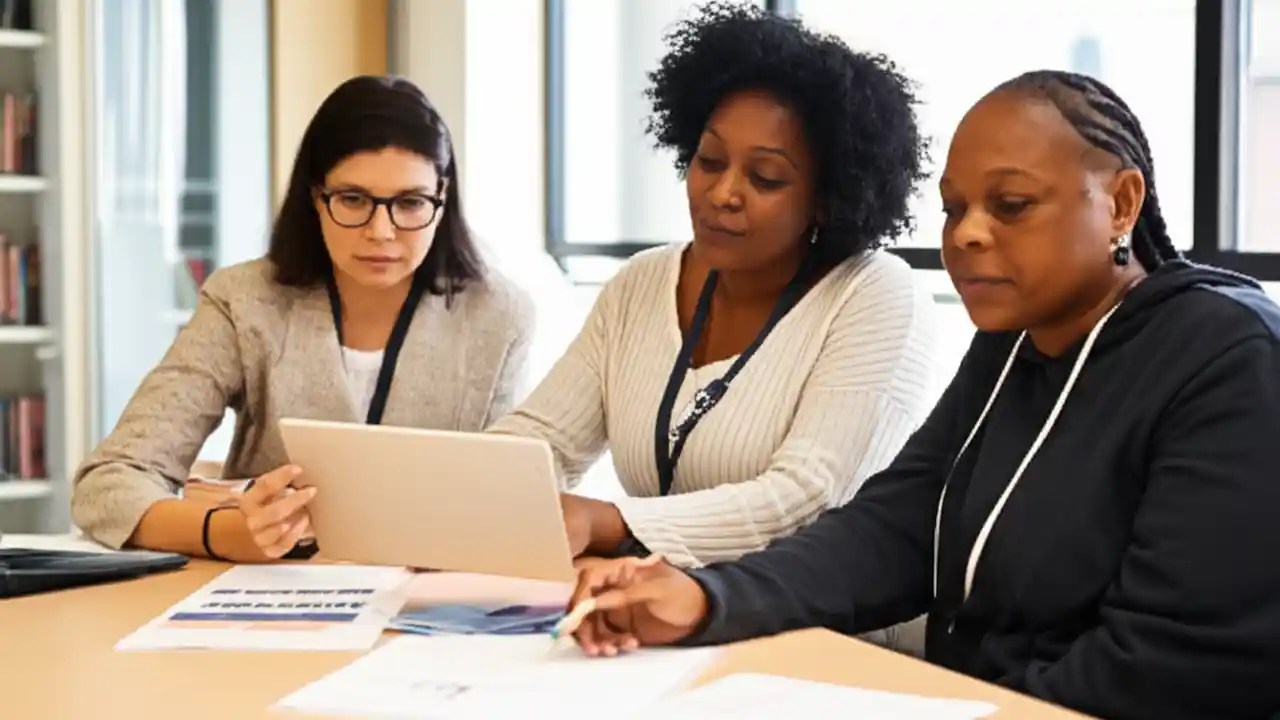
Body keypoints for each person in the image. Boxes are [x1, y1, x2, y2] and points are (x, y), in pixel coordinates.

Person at [563, 70, 1280, 720]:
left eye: (1011, 205)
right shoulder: (1015, 341)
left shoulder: (1228, 357)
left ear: (1122, 203)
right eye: (954, 208)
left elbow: (1172, 668)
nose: (965, 235)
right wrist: (708, 597)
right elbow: (897, 525)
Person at [487, 3, 936, 568]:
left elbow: (808, 498)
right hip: (651, 605)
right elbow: (543, 440)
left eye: (765, 178)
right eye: (709, 160)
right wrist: (470, 487)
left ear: (827, 197)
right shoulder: (642, 283)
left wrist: (613, 521)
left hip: (813, 627)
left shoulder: (874, 293)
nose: (722, 192)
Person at [71, 76, 535, 562]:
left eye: (410, 203)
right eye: (353, 200)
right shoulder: (244, 300)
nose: (381, 231)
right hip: (264, 595)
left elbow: (513, 506)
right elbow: (107, 485)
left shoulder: (499, 317)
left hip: (431, 598)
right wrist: (222, 532)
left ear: (443, 200)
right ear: (316, 198)